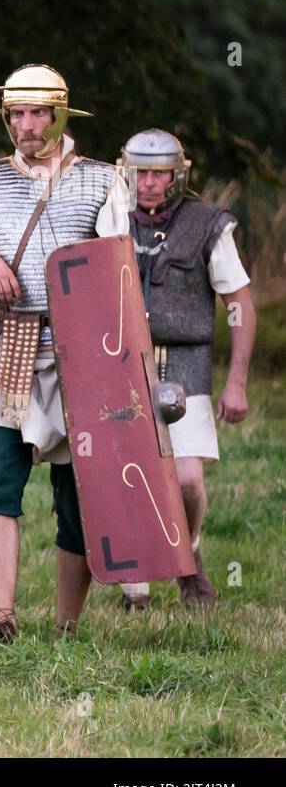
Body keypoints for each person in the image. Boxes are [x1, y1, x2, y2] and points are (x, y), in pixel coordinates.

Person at [0, 64, 130, 640]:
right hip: (8, 347)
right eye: (16, 114)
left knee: (77, 496)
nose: (26, 126)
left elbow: (120, 273)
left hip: (78, 356)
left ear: (61, 114)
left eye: (37, 113)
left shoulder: (101, 180)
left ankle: (67, 624)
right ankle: (3, 617)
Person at [114, 129, 255, 611]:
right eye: (141, 173)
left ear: (178, 175)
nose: (150, 182)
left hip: (185, 363)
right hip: (120, 363)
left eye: (159, 173)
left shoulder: (206, 223)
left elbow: (239, 303)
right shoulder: (107, 218)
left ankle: (186, 553)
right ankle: (136, 585)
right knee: (128, 473)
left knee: (187, 476)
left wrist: (236, 381)